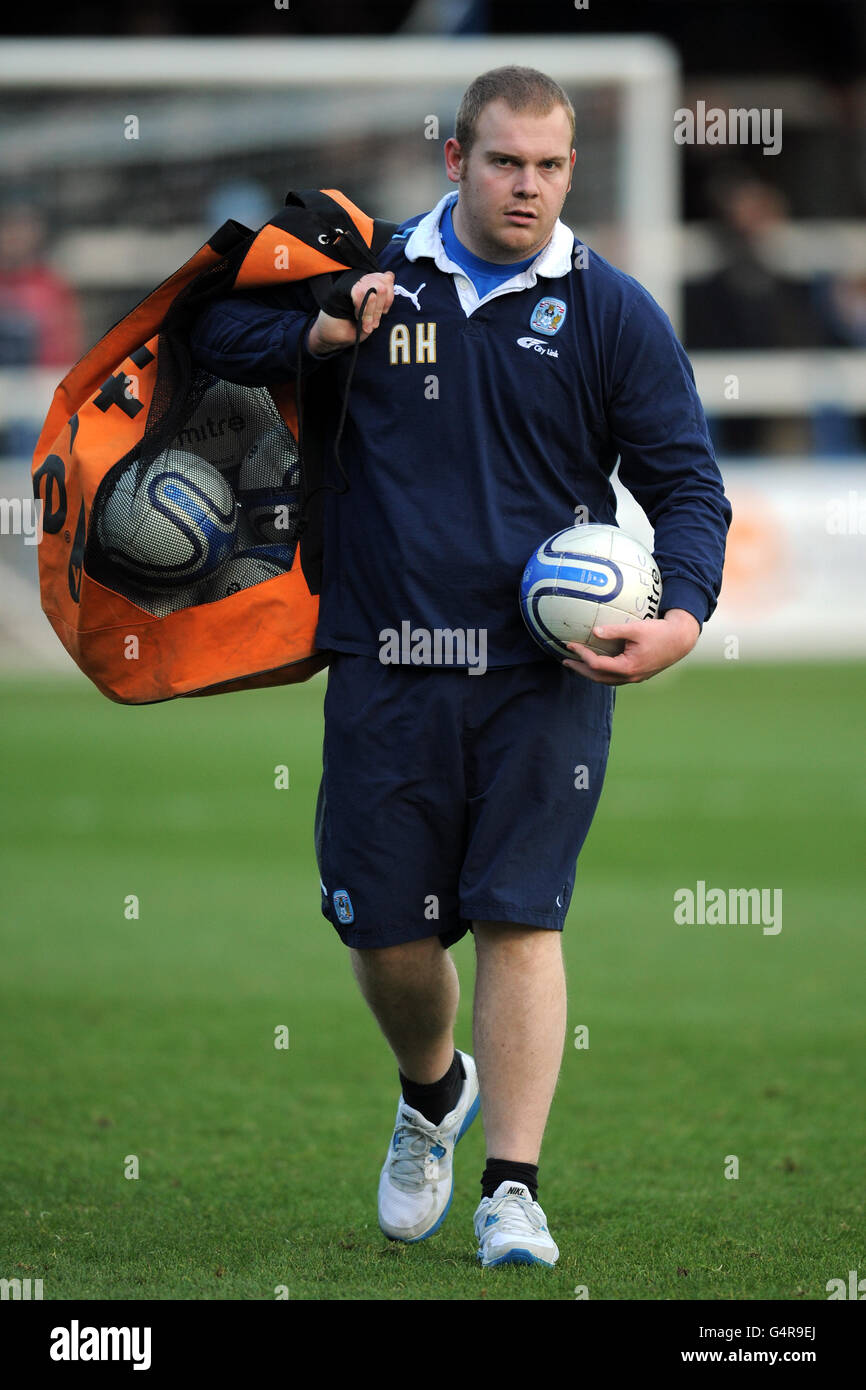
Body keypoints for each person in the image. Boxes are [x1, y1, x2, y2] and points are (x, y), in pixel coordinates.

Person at [189, 66, 731, 1268]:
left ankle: (513, 1188)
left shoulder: (610, 313)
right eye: (502, 162)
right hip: (382, 660)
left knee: (517, 920)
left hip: (545, 674)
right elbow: (206, 323)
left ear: (569, 172)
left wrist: (682, 613)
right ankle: (433, 1090)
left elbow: (687, 486)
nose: (525, 185)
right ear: (456, 161)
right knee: (384, 933)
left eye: (547, 166)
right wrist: (321, 326)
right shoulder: (375, 268)